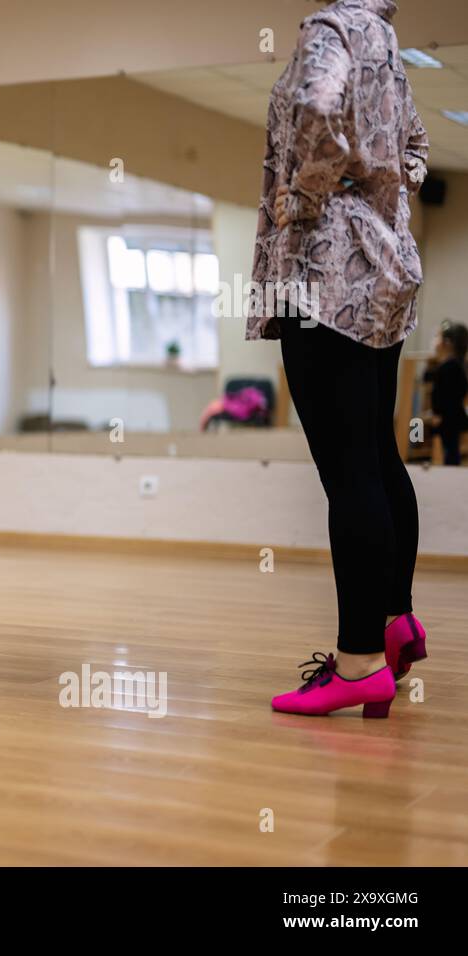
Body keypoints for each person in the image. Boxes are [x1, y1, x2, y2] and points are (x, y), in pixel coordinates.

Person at [247, 0, 428, 717]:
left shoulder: (329, 31)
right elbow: (414, 151)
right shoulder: (386, 42)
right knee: (378, 458)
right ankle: (394, 623)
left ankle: (356, 664)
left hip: (324, 275)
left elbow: (320, 110)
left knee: (349, 470)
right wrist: (377, 187)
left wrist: (310, 193)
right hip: (384, 269)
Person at [423, 322, 468, 465]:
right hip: (450, 415)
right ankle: (450, 464)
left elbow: (446, 394)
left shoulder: (451, 366)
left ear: (447, 343)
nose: (434, 341)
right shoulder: (450, 365)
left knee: (450, 446)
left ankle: (452, 467)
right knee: (449, 445)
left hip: (449, 416)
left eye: (438, 337)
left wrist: (438, 413)